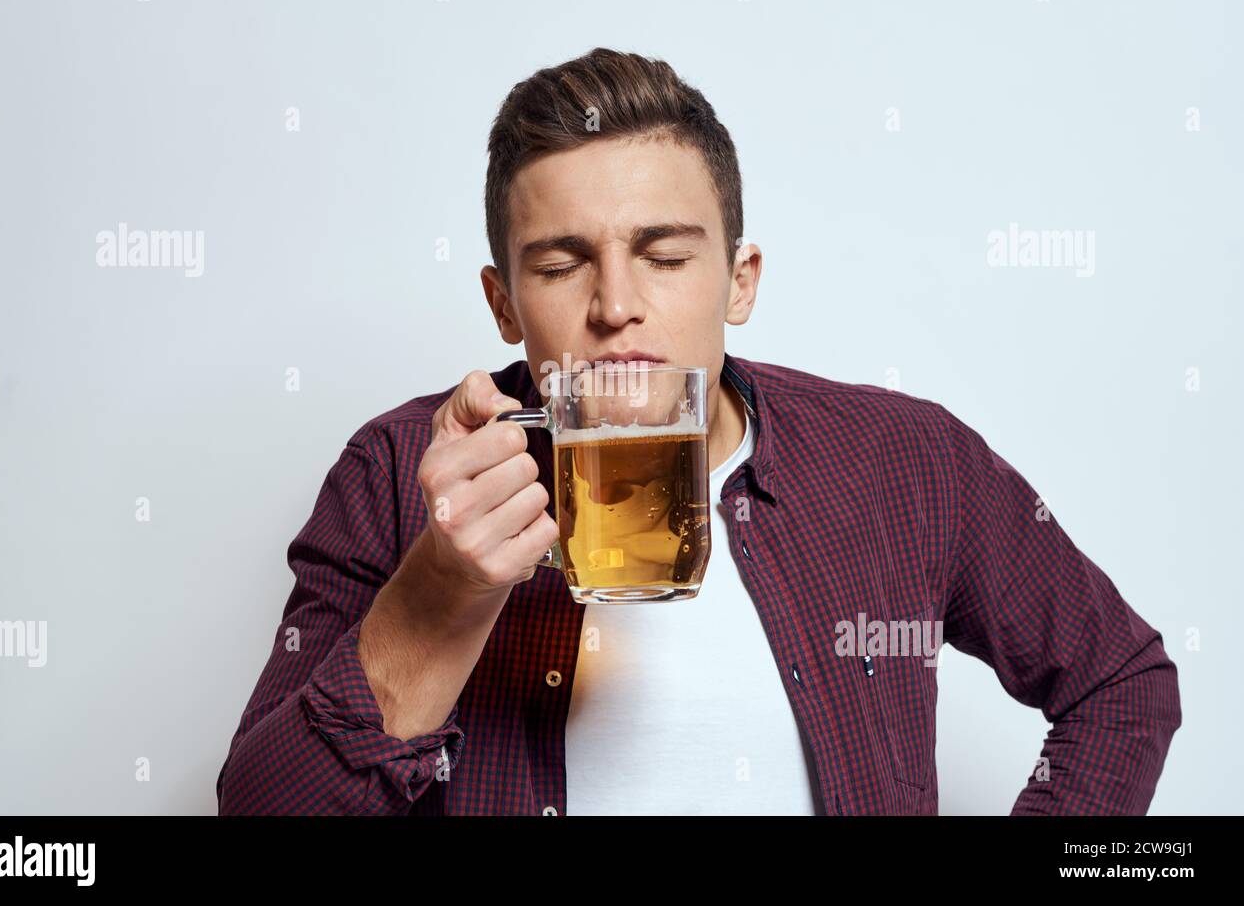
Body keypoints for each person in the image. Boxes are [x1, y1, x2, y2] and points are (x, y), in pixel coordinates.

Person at [216, 48, 1181, 815]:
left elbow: (1122, 682)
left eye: (665, 255)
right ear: (503, 303)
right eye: (561, 267)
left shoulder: (907, 462)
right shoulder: (398, 473)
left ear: (740, 279)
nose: (617, 308)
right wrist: (439, 594)